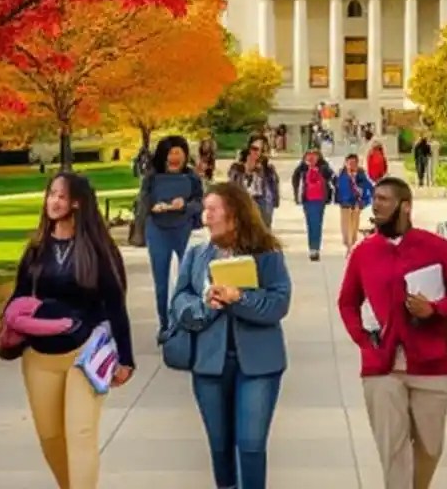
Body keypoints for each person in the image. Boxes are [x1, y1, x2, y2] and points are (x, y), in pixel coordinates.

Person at [337, 177, 447, 489]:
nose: (377, 204)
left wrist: (435, 309)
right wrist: (363, 340)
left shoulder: (438, 248)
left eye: (385, 199)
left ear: (405, 206)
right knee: (394, 451)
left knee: (430, 447)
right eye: (376, 198)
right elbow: (347, 302)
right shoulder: (364, 252)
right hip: (380, 366)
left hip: (431, 363)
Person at [10, 173, 135, 489]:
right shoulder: (36, 248)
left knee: (80, 435)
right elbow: (18, 298)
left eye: (61, 196)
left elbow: (116, 304)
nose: (53, 201)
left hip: (85, 354)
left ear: (77, 202)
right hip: (39, 356)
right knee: (51, 437)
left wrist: (126, 357)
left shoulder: (98, 250)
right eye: (51, 194)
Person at [171, 182, 291, 489]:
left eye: (212, 210)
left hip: (258, 365)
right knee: (220, 445)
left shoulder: (268, 255)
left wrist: (240, 298)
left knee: (250, 444)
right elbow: (179, 299)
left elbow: (278, 304)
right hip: (210, 364)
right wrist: (203, 305)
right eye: (205, 210)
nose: (205, 217)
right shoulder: (197, 254)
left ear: (234, 214)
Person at [140, 135, 204, 342]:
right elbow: (143, 202)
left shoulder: (192, 178)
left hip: (182, 228)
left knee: (189, 277)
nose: (175, 157)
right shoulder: (152, 177)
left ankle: (188, 318)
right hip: (157, 229)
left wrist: (184, 205)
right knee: (161, 280)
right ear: (163, 156)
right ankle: (164, 324)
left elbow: (200, 202)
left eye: (179, 153)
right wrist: (152, 207)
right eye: (171, 153)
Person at [292, 148, 335, 261]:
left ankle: (315, 249)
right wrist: (297, 195)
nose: (311, 158)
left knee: (317, 225)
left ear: (319, 156)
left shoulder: (324, 168)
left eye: (314, 155)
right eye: (309, 155)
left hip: (320, 200)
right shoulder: (302, 168)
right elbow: (295, 181)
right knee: (311, 224)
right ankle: (313, 248)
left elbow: (334, 179)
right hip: (308, 200)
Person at [229, 136, 280, 228]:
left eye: (262, 149)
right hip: (244, 200)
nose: (258, 152)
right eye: (254, 149)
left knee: (264, 229)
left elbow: (274, 186)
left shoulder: (268, 168)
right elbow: (233, 182)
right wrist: (247, 170)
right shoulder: (237, 167)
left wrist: (274, 201)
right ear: (248, 149)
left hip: (263, 201)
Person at [336, 154, 374, 254]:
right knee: (345, 226)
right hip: (345, 204)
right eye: (350, 163)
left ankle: (351, 245)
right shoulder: (341, 175)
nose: (352, 165)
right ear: (346, 163)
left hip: (357, 203)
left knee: (354, 225)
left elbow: (370, 187)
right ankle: (348, 244)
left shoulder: (361, 175)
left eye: (354, 163)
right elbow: (337, 188)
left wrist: (370, 198)